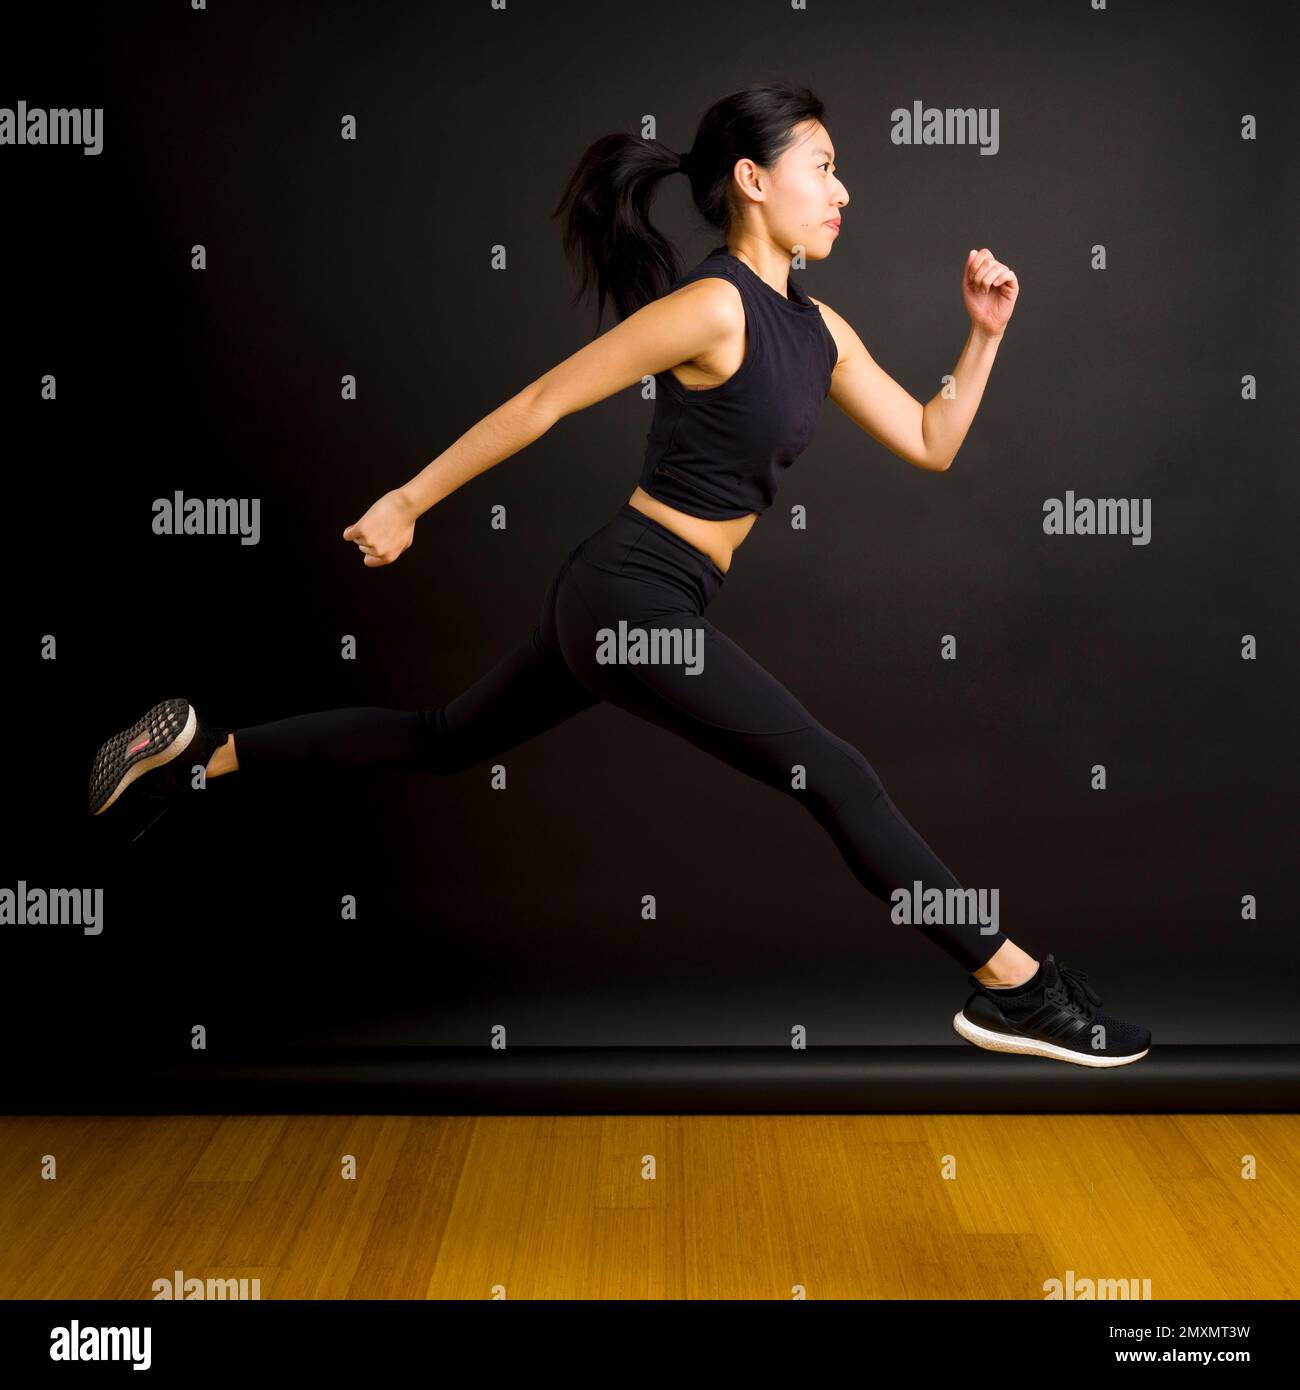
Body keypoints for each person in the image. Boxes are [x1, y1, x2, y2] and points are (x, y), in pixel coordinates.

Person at [88, 83, 1150, 1067]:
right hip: (628, 597)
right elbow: (548, 396)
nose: (841, 189)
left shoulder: (817, 328)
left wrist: (980, 338)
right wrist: (408, 502)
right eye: (820, 165)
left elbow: (930, 439)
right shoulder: (716, 306)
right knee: (835, 774)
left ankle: (195, 759)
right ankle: (1016, 987)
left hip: (632, 598)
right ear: (751, 179)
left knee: (443, 740)